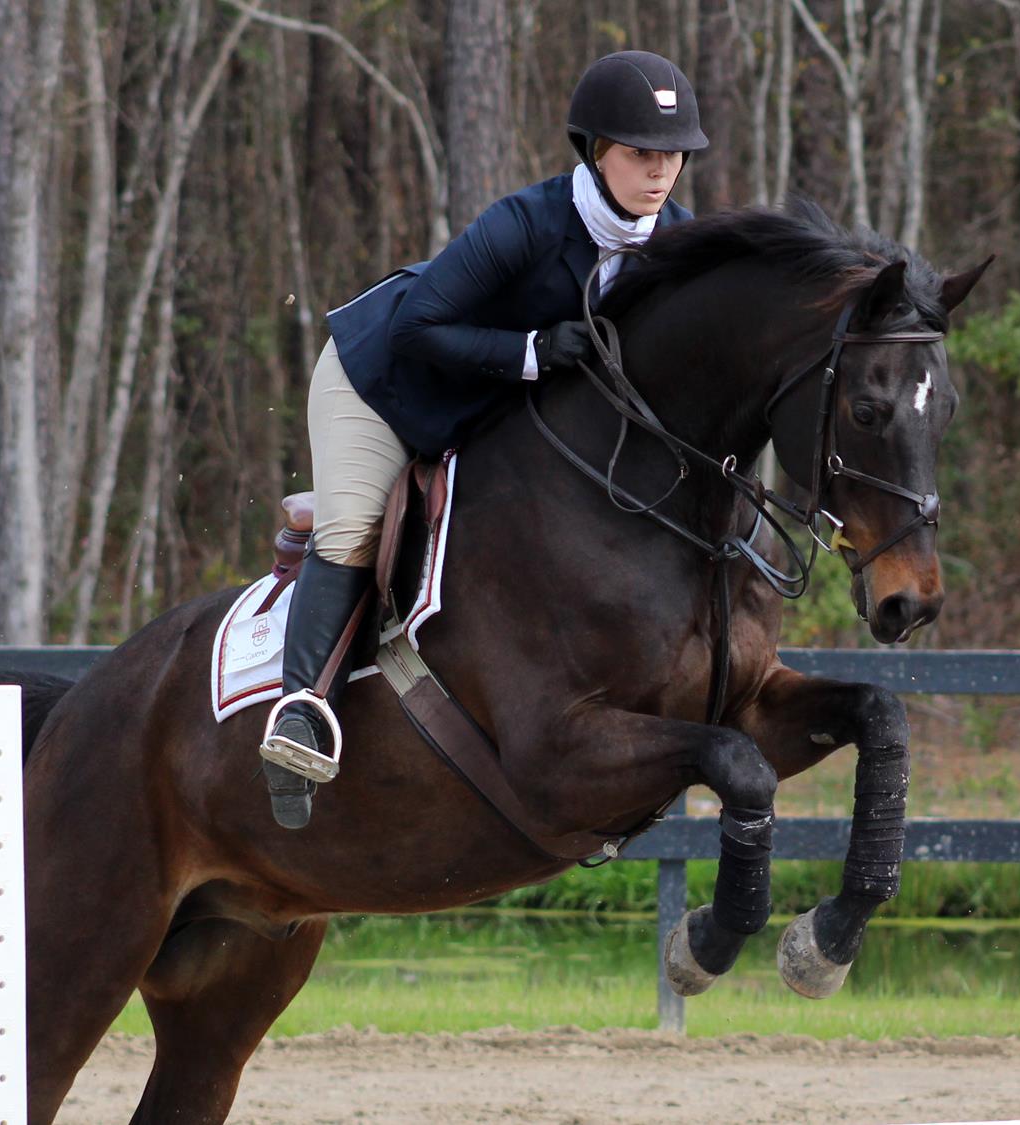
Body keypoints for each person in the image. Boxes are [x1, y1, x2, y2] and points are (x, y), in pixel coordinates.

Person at [258, 50, 711, 829]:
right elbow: (417, 326)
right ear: (595, 151)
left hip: (487, 409)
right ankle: (300, 715)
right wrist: (532, 352)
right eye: (641, 153)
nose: (660, 171)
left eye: (672, 154)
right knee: (356, 523)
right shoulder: (525, 223)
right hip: (385, 383)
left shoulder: (674, 241)